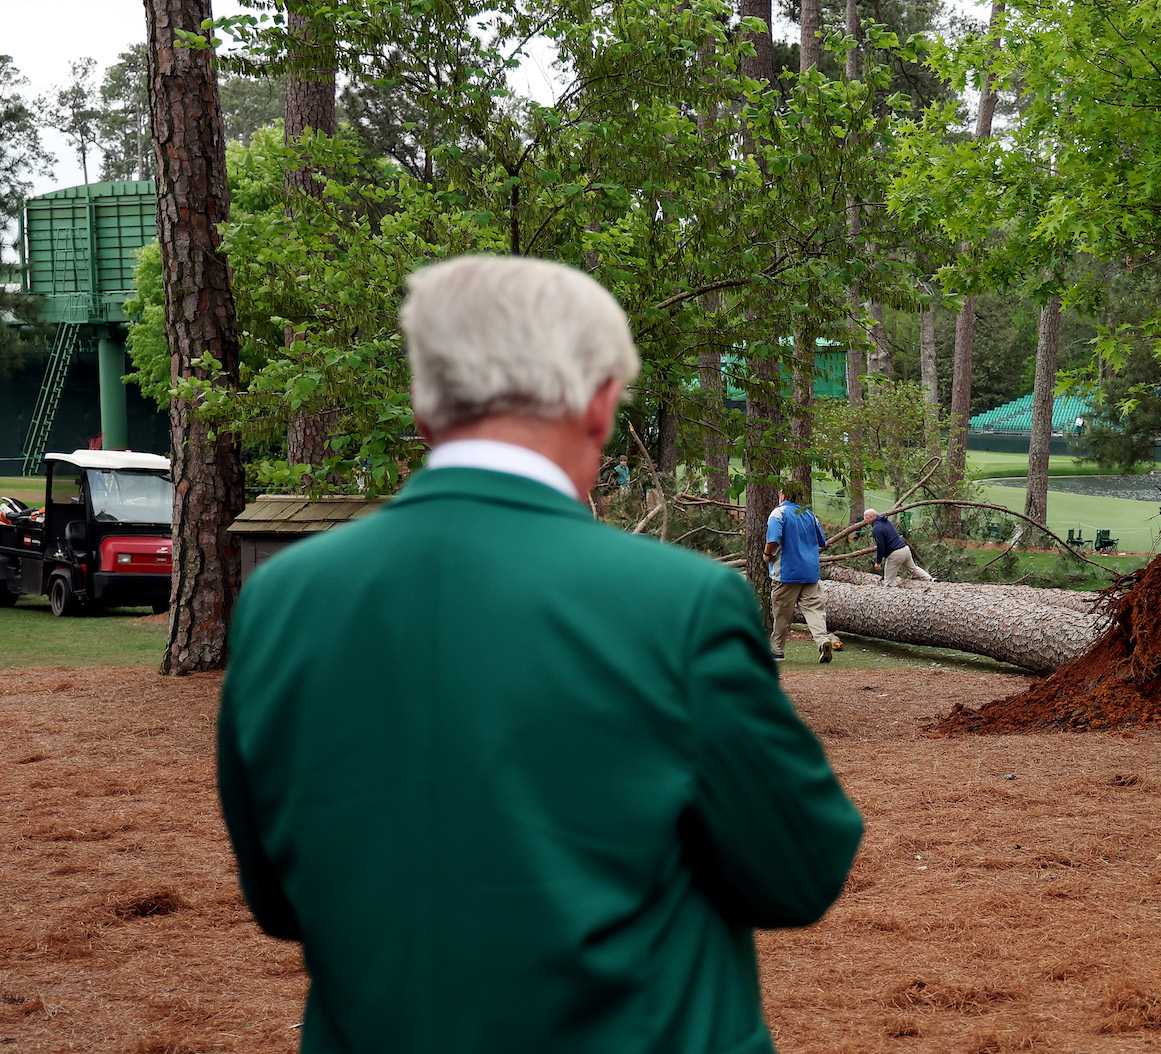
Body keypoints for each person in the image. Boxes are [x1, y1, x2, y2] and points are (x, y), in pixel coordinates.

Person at [217, 255, 862, 1053]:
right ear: (597, 405)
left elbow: (280, 900)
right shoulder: (680, 604)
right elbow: (799, 869)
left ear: (424, 408)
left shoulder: (285, 600)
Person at [765, 483, 838, 663]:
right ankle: (822, 641)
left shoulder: (778, 513)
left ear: (783, 496)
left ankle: (777, 650)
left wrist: (767, 555)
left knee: (782, 613)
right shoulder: (809, 514)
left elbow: (773, 539)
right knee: (814, 610)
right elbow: (822, 541)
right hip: (810, 572)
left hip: (786, 573)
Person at [865, 508, 934, 586]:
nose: (865, 520)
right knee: (913, 568)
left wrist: (878, 562)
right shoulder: (886, 521)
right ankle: (931, 579)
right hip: (905, 549)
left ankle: (888, 594)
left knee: (888, 581)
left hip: (895, 554)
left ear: (871, 518)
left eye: (865, 518)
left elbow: (880, 546)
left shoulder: (876, 528)